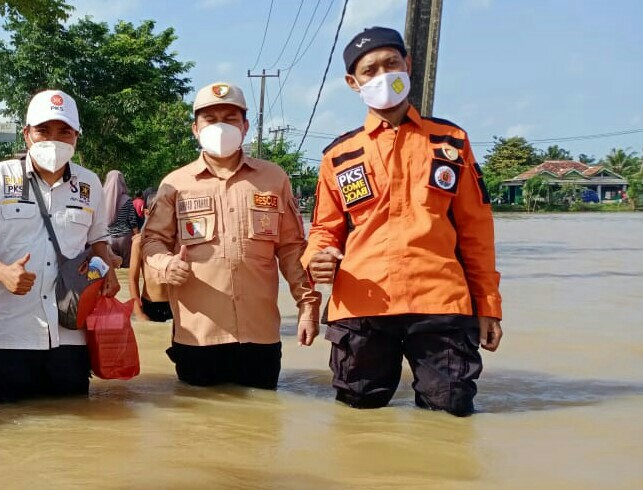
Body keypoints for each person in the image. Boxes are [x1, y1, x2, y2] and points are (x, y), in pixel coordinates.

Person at [303, 27, 502, 416]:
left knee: (450, 414)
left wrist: (489, 305)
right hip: (361, 309)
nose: (382, 75)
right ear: (352, 82)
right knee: (357, 418)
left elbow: (476, 231)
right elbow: (324, 230)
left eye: (391, 63)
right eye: (370, 70)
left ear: (408, 65)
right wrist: (316, 258)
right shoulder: (339, 156)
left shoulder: (451, 143)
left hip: (440, 303)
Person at [141, 82, 320, 390]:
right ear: (195, 128)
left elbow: (292, 249)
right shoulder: (176, 183)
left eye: (230, 118)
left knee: (262, 428)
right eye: (210, 119)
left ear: (245, 126)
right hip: (198, 335)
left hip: (260, 336)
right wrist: (166, 264)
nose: (220, 126)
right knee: (197, 430)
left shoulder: (274, 178)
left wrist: (307, 304)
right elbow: (150, 240)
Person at [0, 89, 120, 403]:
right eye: (43, 130)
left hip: (71, 335)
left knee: (72, 429)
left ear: (77, 137)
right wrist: (2, 273)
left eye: (64, 132)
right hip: (9, 335)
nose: (53, 140)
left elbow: (97, 241)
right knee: (4, 429)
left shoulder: (89, 184)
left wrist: (107, 270)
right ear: (26, 134)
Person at [128, 188, 171, 322]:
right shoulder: (139, 243)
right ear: (147, 213)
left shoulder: (175, 241)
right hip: (151, 304)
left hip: (176, 305)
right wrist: (139, 313)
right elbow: (132, 280)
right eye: (159, 213)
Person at [103, 170, 140, 268]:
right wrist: (137, 237)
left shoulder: (102, 199)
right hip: (125, 239)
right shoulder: (126, 199)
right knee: (128, 269)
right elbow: (132, 221)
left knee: (112, 268)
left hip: (109, 239)